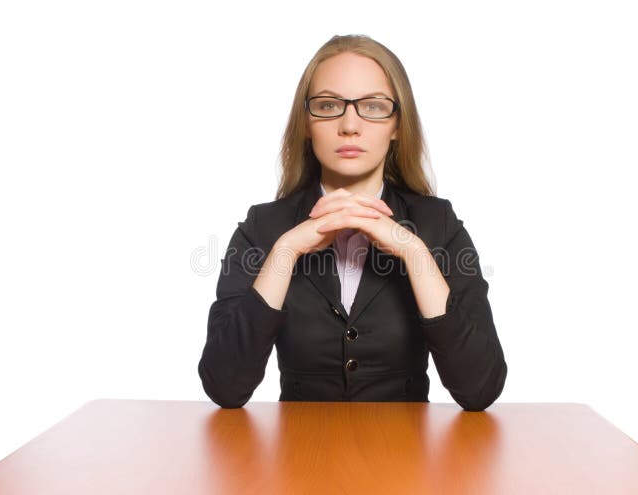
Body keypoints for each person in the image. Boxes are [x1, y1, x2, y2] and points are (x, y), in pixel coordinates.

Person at [198, 34, 507, 411]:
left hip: (407, 460)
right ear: (306, 123)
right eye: (328, 105)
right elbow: (225, 387)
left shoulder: (437, 224)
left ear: (396, 125)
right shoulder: (262, 228)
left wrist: (414, 253)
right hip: (298, 458)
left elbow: (480, 389)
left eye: (373, 107)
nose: (349, 125)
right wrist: (286, 250)